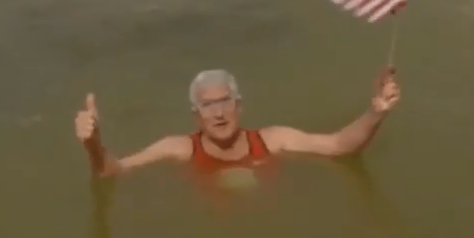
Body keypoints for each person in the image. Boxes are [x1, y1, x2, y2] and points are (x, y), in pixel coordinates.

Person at [73, 66, 400, 178]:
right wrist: (93, 145)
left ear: (239, 106)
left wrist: (376, 113)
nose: (218, 113)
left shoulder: (273, 139)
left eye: (224, 102)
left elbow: (339, 147)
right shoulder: (178, 149)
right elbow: (114, 172)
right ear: (195, 115)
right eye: (207, 105)